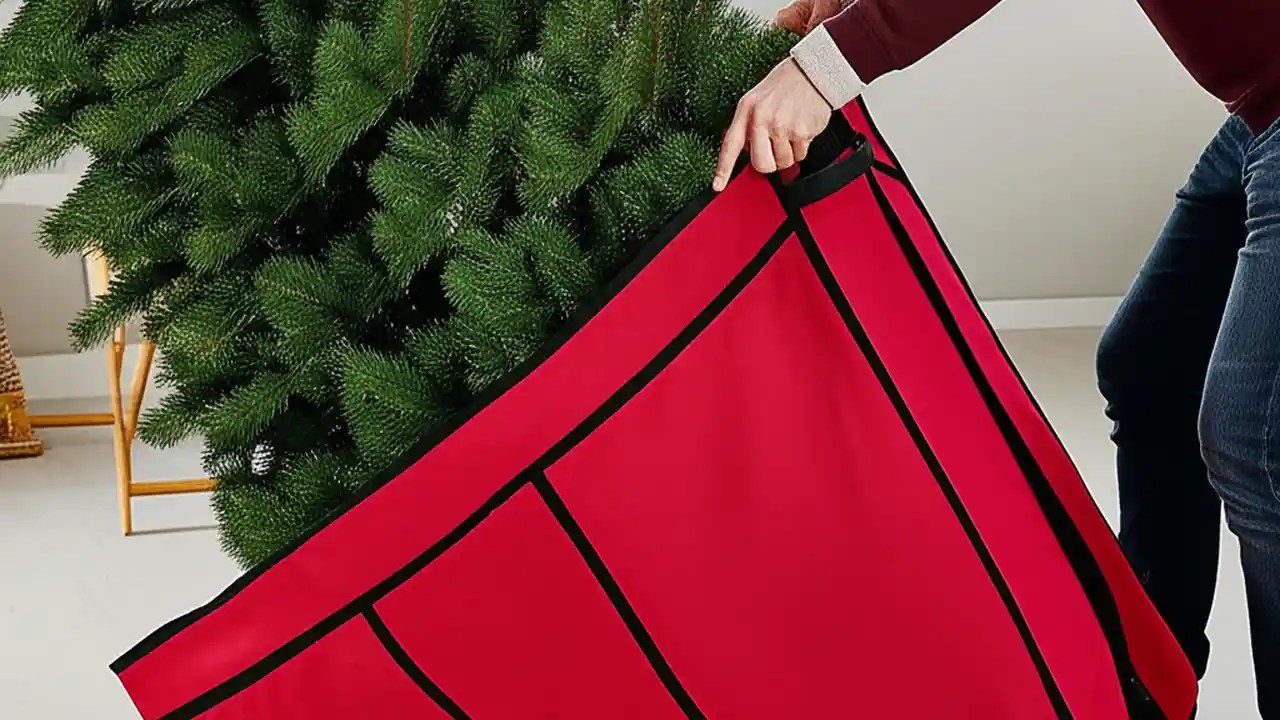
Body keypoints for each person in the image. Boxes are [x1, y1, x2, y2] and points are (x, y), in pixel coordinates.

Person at [714, 1, 1280, 716]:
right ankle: (1156, 687)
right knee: (1148, 370)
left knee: (1253, 443)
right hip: (1261, 110)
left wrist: (826, 69)